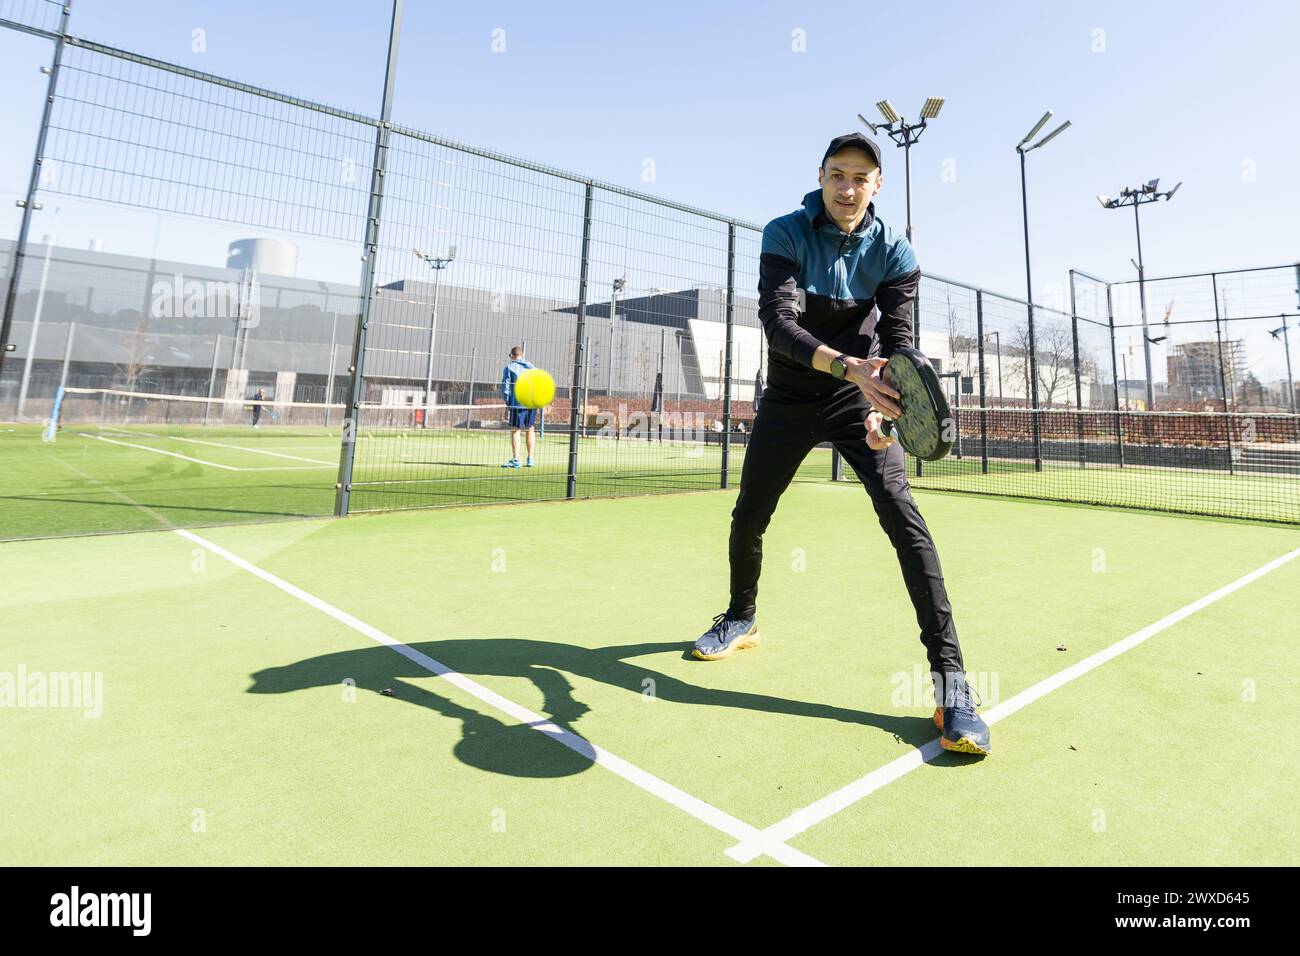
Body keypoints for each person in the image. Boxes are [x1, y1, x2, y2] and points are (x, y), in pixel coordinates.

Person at [691, 132, 990, 756]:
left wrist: (893, 394)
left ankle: (952, 684)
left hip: (862, 401)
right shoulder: (784, 233)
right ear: (821, 177)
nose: (848, 187)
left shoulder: (898, 252)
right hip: (791, 397)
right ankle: (741, 616)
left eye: (860, 177)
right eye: (837, 174)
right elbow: (778, 323)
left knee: (905, 520)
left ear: (877, 185)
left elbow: (901, 339)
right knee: (750, 514)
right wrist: (850, 365)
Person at [499, 345, 537, 468]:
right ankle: (530, 459)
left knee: (516, 430)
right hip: (532, 402)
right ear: (522, 355)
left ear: (513, 356)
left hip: (517, 403)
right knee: (530, 429)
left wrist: (508, 402)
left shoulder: (509, 368)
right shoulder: (532, 367)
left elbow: (506, 388)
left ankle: (516, 460)